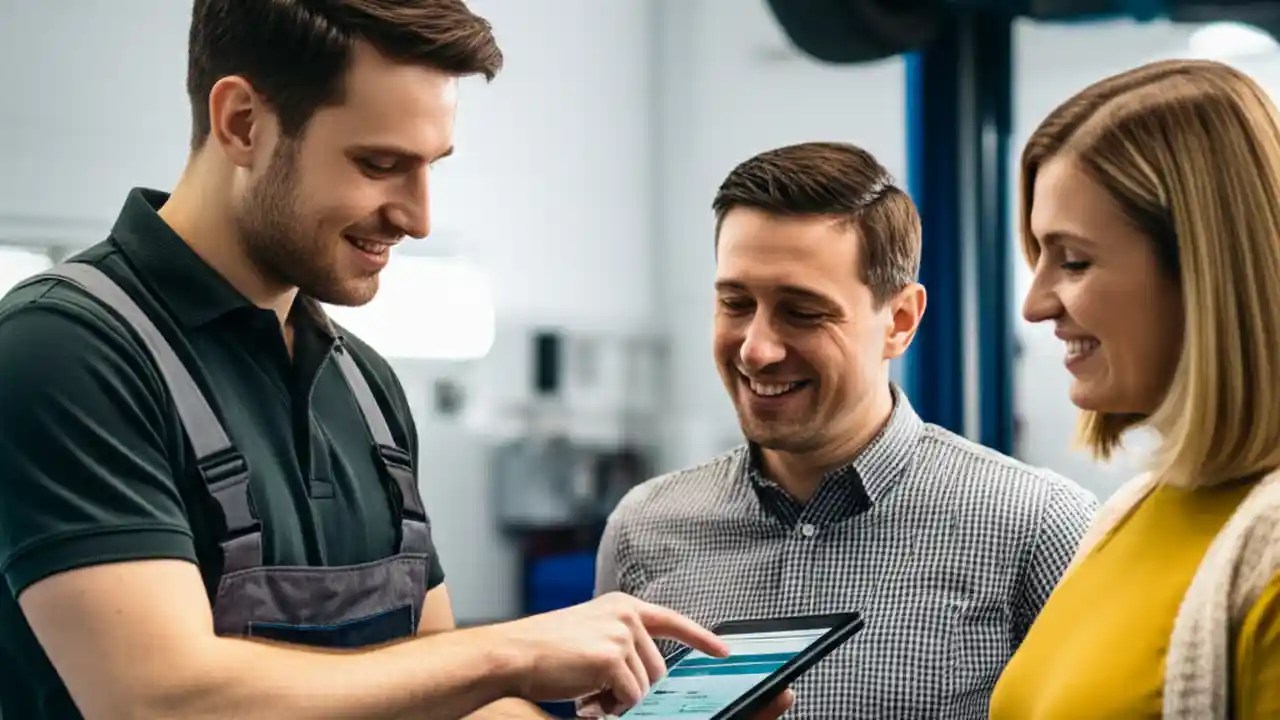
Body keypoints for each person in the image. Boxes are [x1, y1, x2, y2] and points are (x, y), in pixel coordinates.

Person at [0, 2, 798, 719]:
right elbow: (159, 700)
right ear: (242, 122)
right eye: (379, 165)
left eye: (431, 166)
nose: (417, 216)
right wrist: (510, 651)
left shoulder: (364, 386)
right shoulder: (66, 352)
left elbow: (442, 700)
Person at [591, 141, 1099, 719]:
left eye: (803, 312)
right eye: (735, 303)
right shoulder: (643, 529)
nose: (756, 349)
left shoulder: (1036, 529)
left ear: (900, 322)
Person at [989, 58, 1280, 719]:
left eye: (1075, 261)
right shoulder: (1130, 512)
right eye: (1038, 257)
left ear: (1207, 271)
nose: (1034, 306)